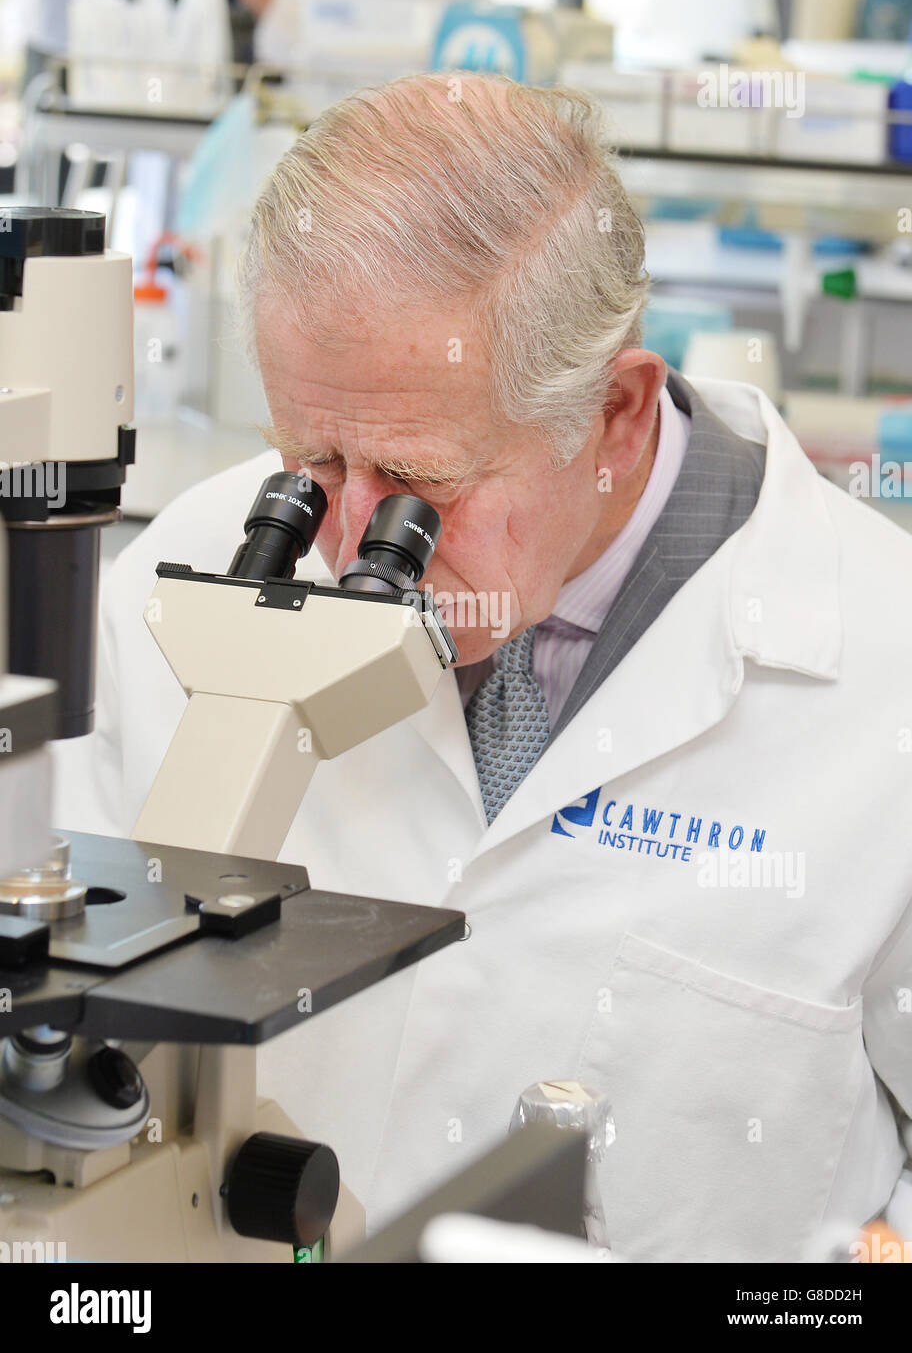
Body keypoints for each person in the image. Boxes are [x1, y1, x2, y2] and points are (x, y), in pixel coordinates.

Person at [53, 72, 912, 1262]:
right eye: (308, 457)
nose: (352, 543)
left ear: (614, 416)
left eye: (421, 487)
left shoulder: (884, 671)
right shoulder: (186, 575)